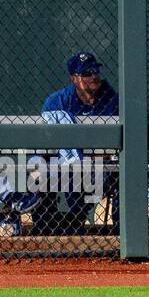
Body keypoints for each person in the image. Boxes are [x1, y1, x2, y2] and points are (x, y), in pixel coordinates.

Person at [14, 52, 120, 235]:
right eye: (87, 73)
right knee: (39, 167)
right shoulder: (57, 101)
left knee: (117, 172)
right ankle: (45, 228)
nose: (94, 75)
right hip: (63, 164)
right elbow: (49, 145)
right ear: (74, 79)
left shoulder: (112, 99)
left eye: (95, 70)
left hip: (100, 165)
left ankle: (120, 231)